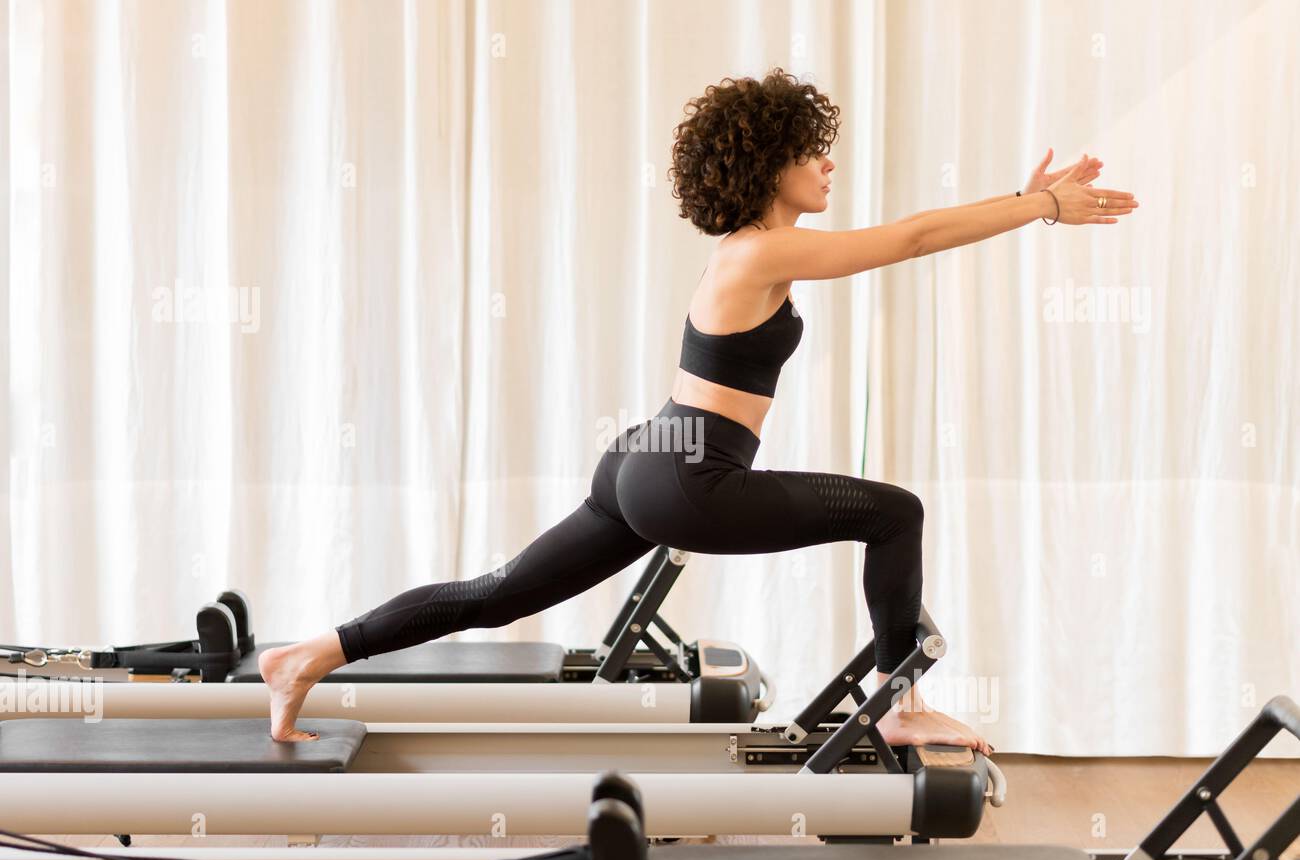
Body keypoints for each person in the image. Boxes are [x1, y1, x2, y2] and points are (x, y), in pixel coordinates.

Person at [260, 67, 1137, 742]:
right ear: (767, 162)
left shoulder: (752, 252)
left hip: (647, 459)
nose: (827, 161)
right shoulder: (758, 256)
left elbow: (911, 232)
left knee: (501, 593)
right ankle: (901, 706)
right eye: (809, 149)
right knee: (896, 512)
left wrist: (1031, 200)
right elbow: (908, 239)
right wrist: (1040, 208)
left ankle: (310, 654)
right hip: (691, 475)